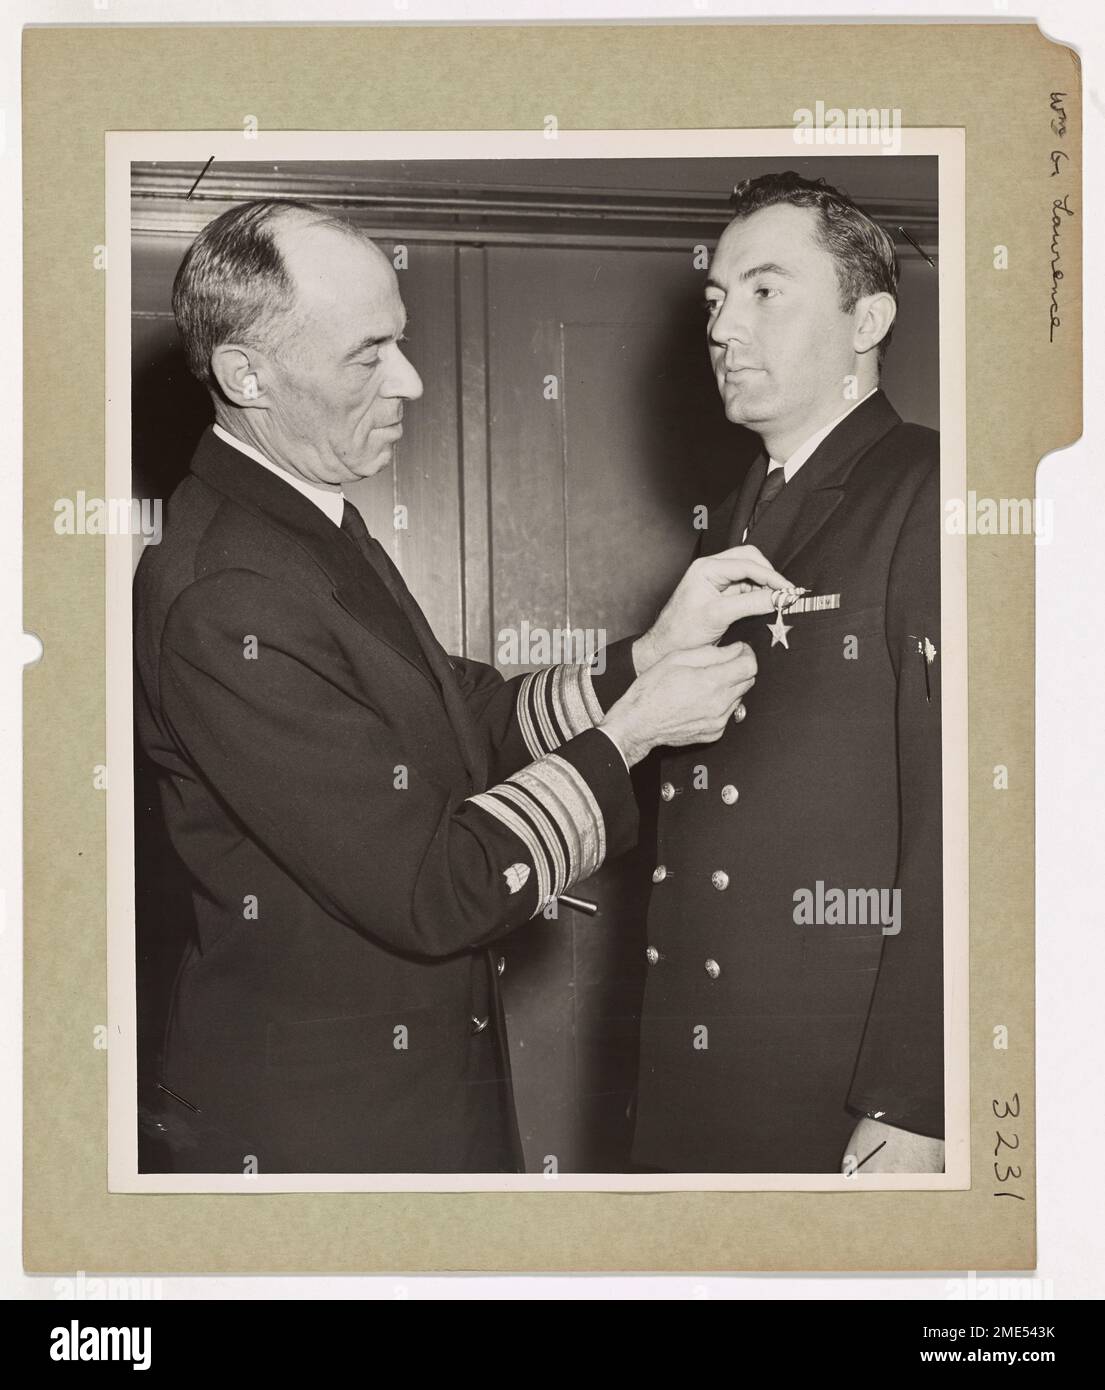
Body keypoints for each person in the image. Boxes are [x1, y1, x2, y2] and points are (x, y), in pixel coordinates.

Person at [133, 198, 793, 1174]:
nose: (410, 379)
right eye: (368, 355)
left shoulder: (297, 521)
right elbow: (434, 887)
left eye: (399, 340)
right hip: (321, 1139)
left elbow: (461, 713)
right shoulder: (229, 594)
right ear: (246, 375)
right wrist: (630, 738)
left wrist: (643, 660)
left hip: (391, 1100)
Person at [626, 172, 944, 1174]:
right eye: (716, 299)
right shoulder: (743, 511)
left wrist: (920, 1099)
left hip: (833, 1077)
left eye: (765, 292)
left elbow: (971, 826)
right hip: (709, 1062)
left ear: (868, 319)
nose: (723, 327)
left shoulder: (929, 492)